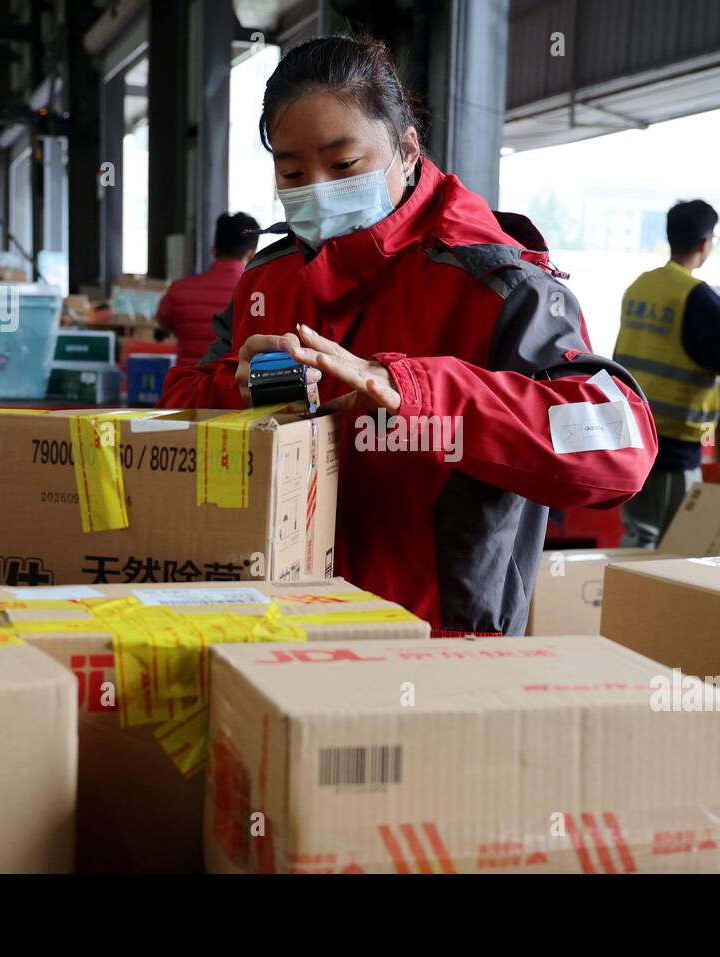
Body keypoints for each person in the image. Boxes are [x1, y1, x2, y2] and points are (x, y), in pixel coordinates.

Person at [159, 35, 657, 635]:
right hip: (276, 627)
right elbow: (174, 413)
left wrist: (416, 393)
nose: (316, 189)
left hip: (439, 647)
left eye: (343, 166)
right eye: (292, 172)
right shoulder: (268, 277)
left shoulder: (498, 284)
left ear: (406, 147)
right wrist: (236, 393)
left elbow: (617, 444)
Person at [613, 199, 720, 548]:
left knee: (639, 534)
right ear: (705, 243)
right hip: (674, 442)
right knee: (676, 541)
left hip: (631, 432)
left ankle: (622, 598)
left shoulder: (640, 287)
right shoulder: (695, 297)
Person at [156, 211, 261, 366]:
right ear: (252, 255)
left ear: (213, 250)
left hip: (188, 385)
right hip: (233, 387)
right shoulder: (258, 295)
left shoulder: (178, 290)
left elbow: (163, 322)